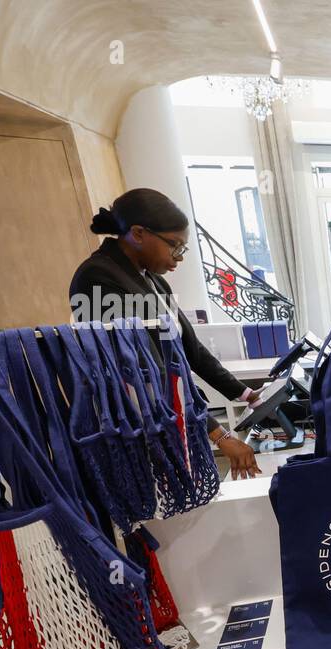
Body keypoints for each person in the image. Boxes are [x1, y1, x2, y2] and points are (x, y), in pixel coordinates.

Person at [69, 188, 262, 480]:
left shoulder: (154, 281)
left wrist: (246, 394)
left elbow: (189, 349)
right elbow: (149, 371)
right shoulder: (97, 278)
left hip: (169, 417)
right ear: (138, 233)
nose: (179, 257)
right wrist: (220, 436)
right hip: (135, 423)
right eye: (174, 245)